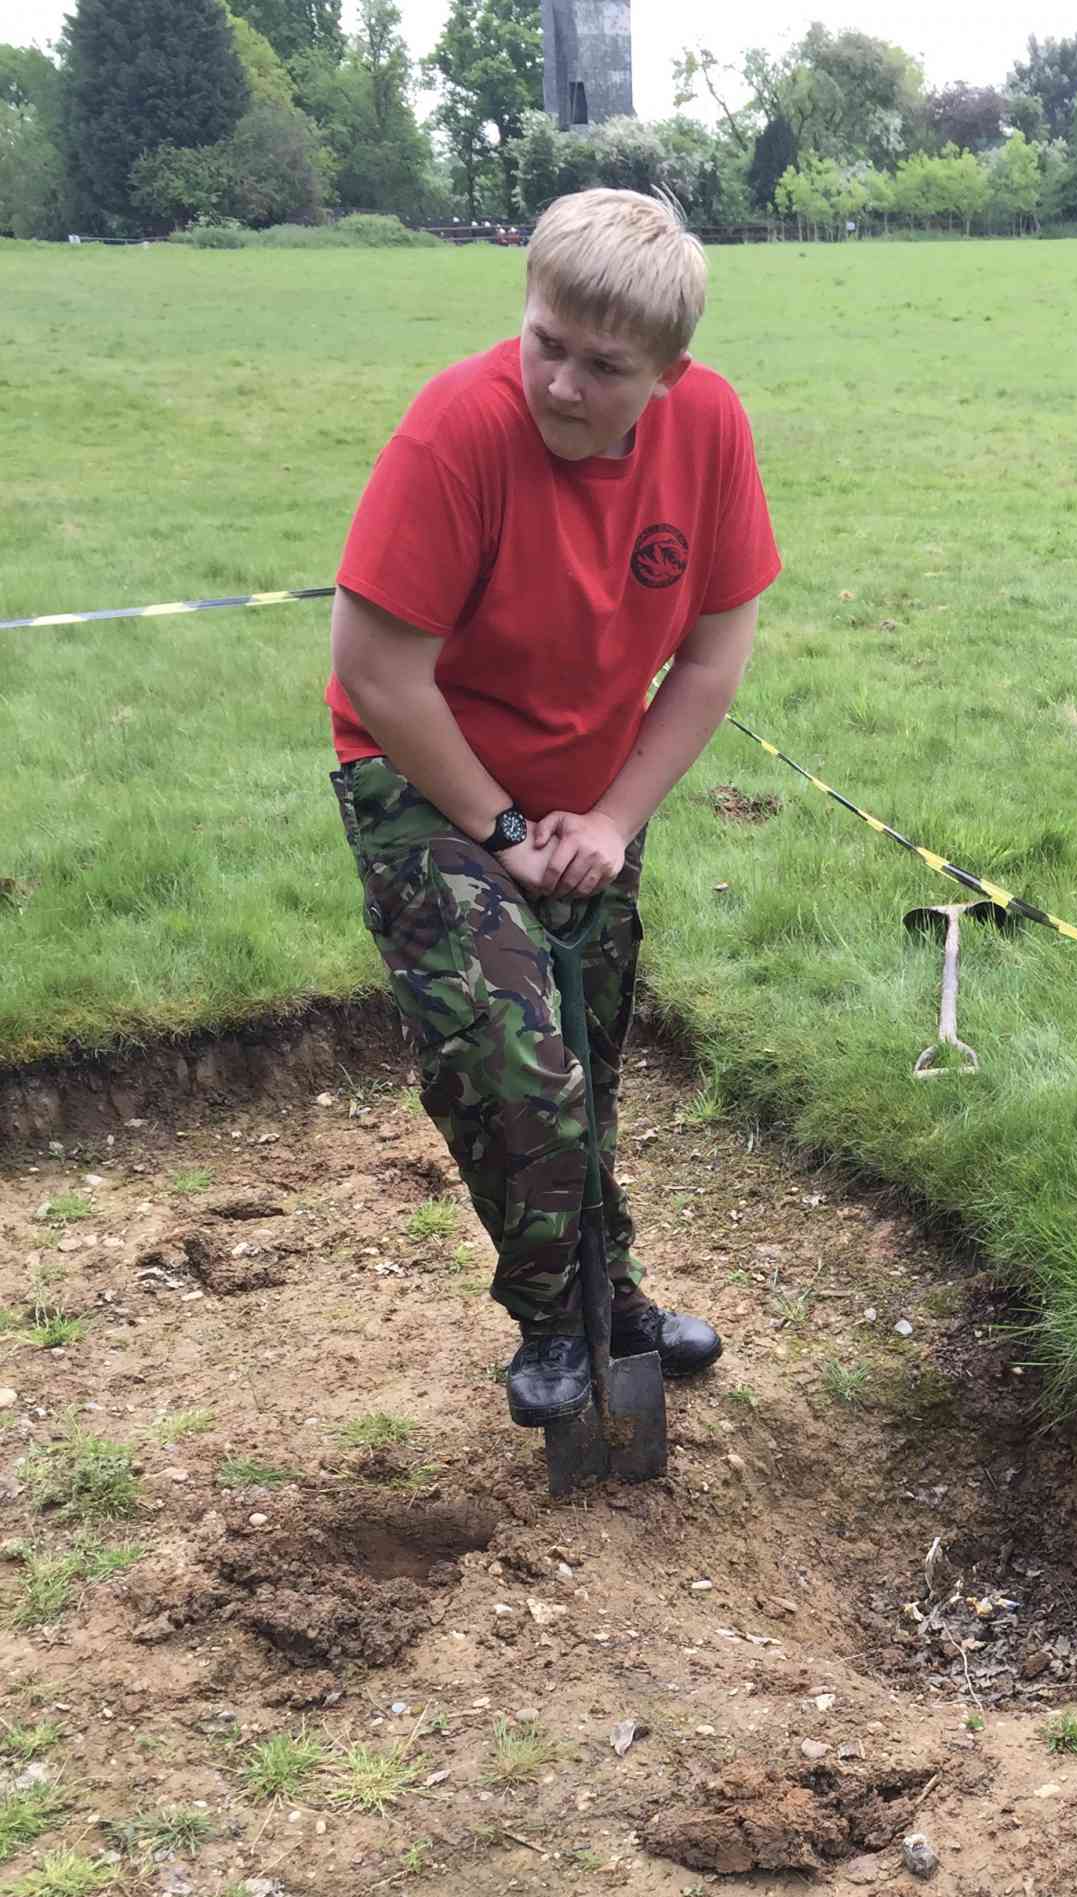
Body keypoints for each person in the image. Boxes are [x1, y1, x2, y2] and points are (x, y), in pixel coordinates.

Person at [326, 189, 780, 1430]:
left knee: (585, 1058)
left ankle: (611, 1300)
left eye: (604, 366)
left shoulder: (712, 431)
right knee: (510, 1058)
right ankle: (552, 1316)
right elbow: (380, 673)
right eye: (545, 344)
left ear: (671, 374)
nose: (563, 384)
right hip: (426, 774)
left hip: (590, 792)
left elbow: (709, 658)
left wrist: (614, 820)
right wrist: (506, 834)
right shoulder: (456, 434)